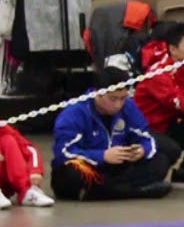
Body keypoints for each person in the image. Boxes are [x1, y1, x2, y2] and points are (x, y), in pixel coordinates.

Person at [50, 67, 172, 201]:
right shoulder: (74, 112)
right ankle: (133, 191)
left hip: (117, 167)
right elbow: (64, 152)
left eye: (122, 98)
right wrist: (102, 156)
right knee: (70, 174)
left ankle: (107, 191)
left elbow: (145, 135)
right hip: (90, 167)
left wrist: (142, 150)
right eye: (113, 99)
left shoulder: (128, 106)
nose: (118, 105)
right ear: (97, 93)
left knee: (160, 161)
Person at [133, 23, 184, 190]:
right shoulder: (159, 74)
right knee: (166, 159)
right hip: (146, 131)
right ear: (173, 49)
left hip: (170, 124)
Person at [0, 124, 54, 209]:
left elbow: (30, 150)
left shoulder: (4, 129)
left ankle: (26, 191)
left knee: (8, 140)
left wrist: (35, 170)